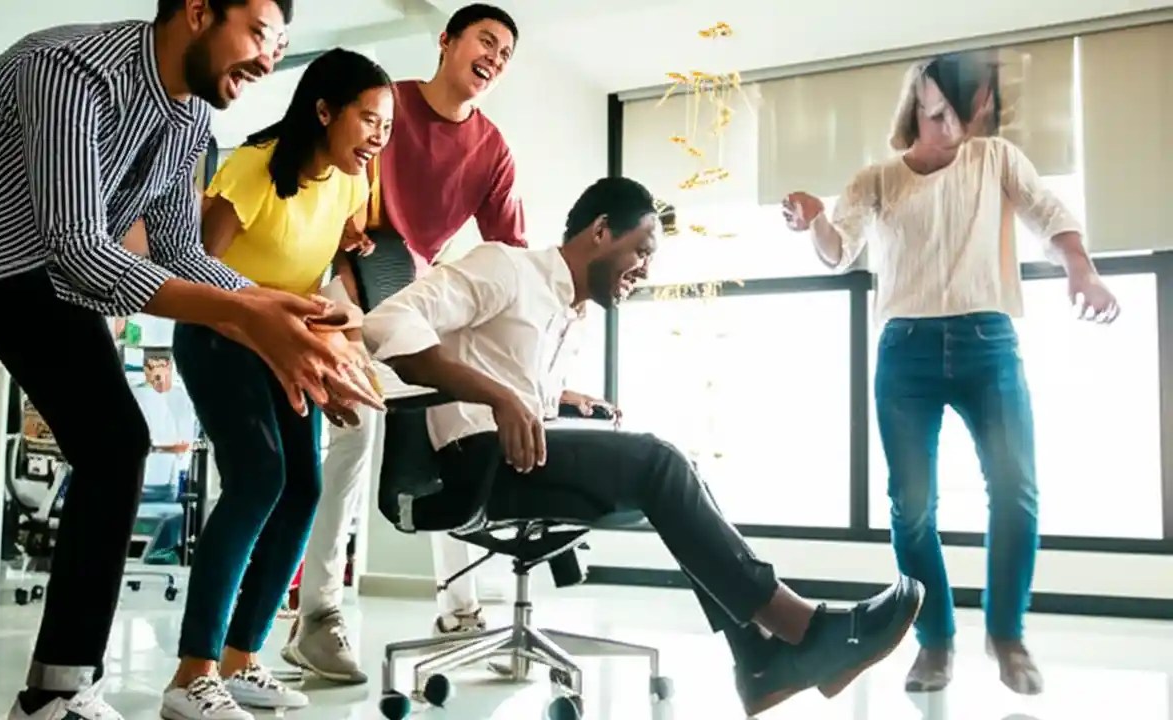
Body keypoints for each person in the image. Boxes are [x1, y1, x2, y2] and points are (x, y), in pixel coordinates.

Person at [0, 2, 383, 719]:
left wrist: (286, 314)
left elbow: (183, 251)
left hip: (34, 260)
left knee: (116, 442)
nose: (268, 58)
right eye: (257, 33)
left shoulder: (188, 120)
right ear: (198, 11)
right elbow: (79, 247)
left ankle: (57, 692)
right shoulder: (70, 71)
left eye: (280, 45)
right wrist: (248, 316)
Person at [360, 176, 924, 717]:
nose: (645, 270)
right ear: (600, 231)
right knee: (658, 462)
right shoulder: (505, 267)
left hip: (516, 457)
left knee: (676, 474)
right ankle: (804, 629)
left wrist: (558, 399)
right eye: (642, 250)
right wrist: (499, 396)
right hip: (472, 467)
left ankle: (758, 659)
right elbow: (387, 322)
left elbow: (511, 377)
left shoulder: (569, 314)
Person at [782, 53, 1120, 696]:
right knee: (911, 508)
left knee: (1016, 490)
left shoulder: (996, 160)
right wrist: (814, 220)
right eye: (935, 114)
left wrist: (1081, 267)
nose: (948, 130)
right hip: (905, 352)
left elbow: (1049, 214)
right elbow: (838, 251)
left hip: (987, 343)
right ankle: (933, 642)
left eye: (960, 118)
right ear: (916, 102)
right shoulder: (877, 179)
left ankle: (1006, 635)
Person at [283, 2, 540, 683]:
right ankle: (317, 614)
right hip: (348, 278)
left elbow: (510, 254)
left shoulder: (491, 149)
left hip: (414, 295)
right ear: (446, 41)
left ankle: (461, 609)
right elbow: (322, 169)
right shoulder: (385, 104)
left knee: (460, 427)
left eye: (506, 54)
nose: (494, 58)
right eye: (486, 41)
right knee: (356, 434)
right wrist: (344, 232)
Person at [161, 49, 392, 720]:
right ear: (323, 111)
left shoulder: (352, 179)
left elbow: (336, 239)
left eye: (387, 126)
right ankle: (192, 672)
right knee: (259, 478)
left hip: (286, 341)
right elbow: (193, 266)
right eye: (368, 120)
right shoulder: (253, 168)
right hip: (220, 331)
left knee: (304, 488)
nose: (379, 137)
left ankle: (242, 659)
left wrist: (350, 265)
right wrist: (259, 316)